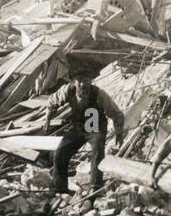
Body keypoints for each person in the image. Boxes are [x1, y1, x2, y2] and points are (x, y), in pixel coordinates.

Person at [45, 64, 125, 195]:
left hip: (96, 128)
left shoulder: (99, 94)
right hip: (78, 128)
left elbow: (116, 113)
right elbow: (52, 101)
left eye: (86, 80)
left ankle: (96, 187)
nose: (83, 84)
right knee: (60, 152)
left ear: (90, 81)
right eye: (79, 80)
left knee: (97, 153)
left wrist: (119, 134)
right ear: (74, 81)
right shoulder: (67, 90)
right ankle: (59, 187)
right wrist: (48, 116)